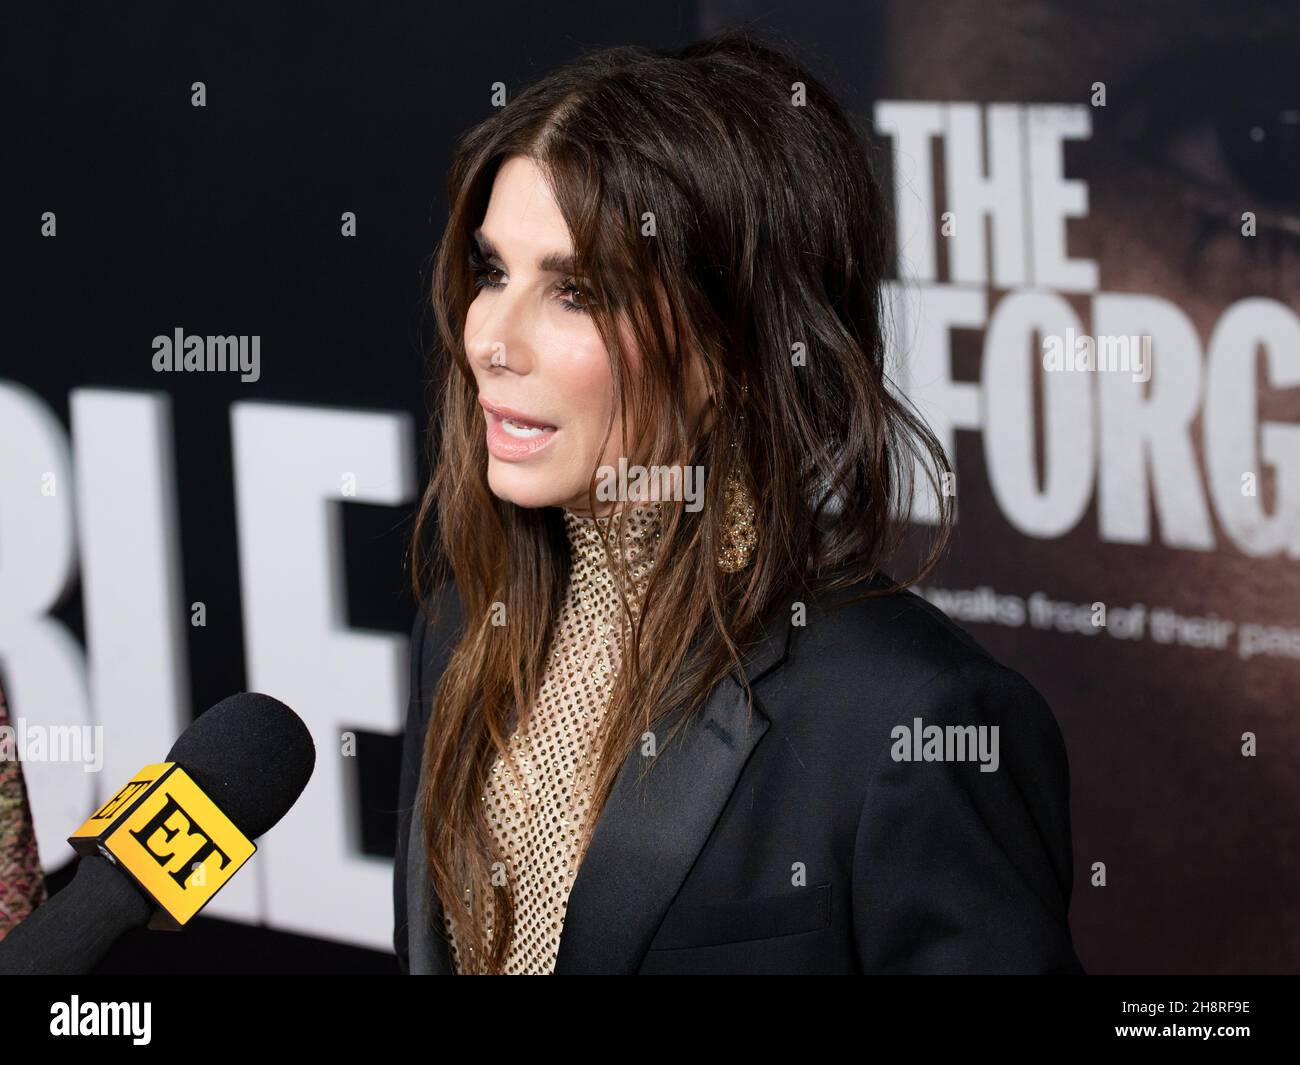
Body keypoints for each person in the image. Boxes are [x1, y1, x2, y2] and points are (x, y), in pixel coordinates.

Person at [393, 30, 1083, 975]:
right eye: (493, 273)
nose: (491, 340)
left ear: (735, 350)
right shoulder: (461, 625)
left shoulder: (911, 718)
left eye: (578, 292)